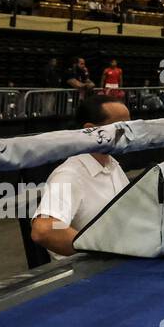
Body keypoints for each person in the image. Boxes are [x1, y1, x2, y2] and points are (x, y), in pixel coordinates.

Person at [30, 96, 131, 259]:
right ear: (91, 130)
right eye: (121, 127)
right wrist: (100, 250)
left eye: (131, 126)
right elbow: (45, 230)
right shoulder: (69, 176)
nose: (130, 134)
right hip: (86, 274)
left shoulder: (112, 165)